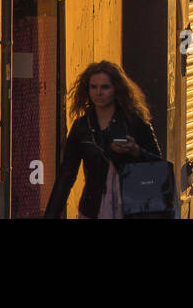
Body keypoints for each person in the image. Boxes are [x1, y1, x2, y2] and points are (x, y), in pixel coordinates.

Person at [44, 61, 163, 219]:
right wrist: (51, 214)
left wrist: (135, 151)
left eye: (105, 87)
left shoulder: (134, 122)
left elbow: (159, 165)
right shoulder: (82, 127)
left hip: (132, 208)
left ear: (116, 89)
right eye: (93, 87)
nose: (98, 93)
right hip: (92, 208)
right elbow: (67, 174)